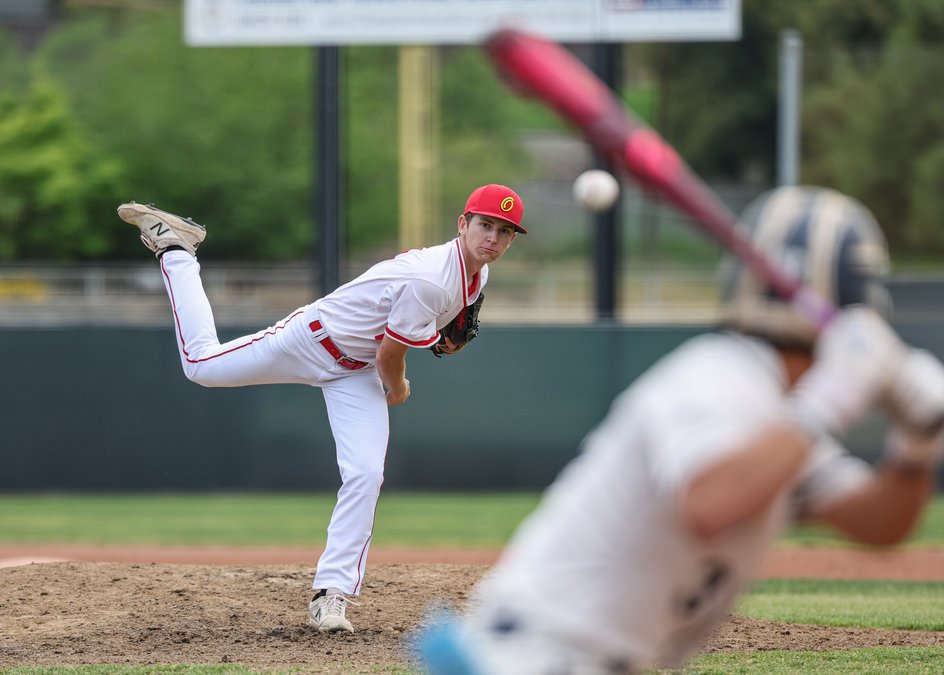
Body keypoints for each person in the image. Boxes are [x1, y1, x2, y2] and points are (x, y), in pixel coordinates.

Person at [417, 185, 944, 674]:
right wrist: (832, 397)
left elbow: (877, 525)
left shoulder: (780, 421)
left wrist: (915, 445)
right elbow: (710, 502)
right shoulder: (718, 377)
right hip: (529, 655)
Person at [117, 184, 526, 634]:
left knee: (366, 473)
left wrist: (436, 339)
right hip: (311, 341)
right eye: (485, 224)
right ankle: (177, 249)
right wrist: (399, 387)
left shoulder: (476, 275)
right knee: (201, 365)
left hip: (355, 371)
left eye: (505, 231)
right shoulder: (431, 278)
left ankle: (331, 595)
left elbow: (429, 333)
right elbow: (391, 357)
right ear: (463, 224)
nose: (493, 237)